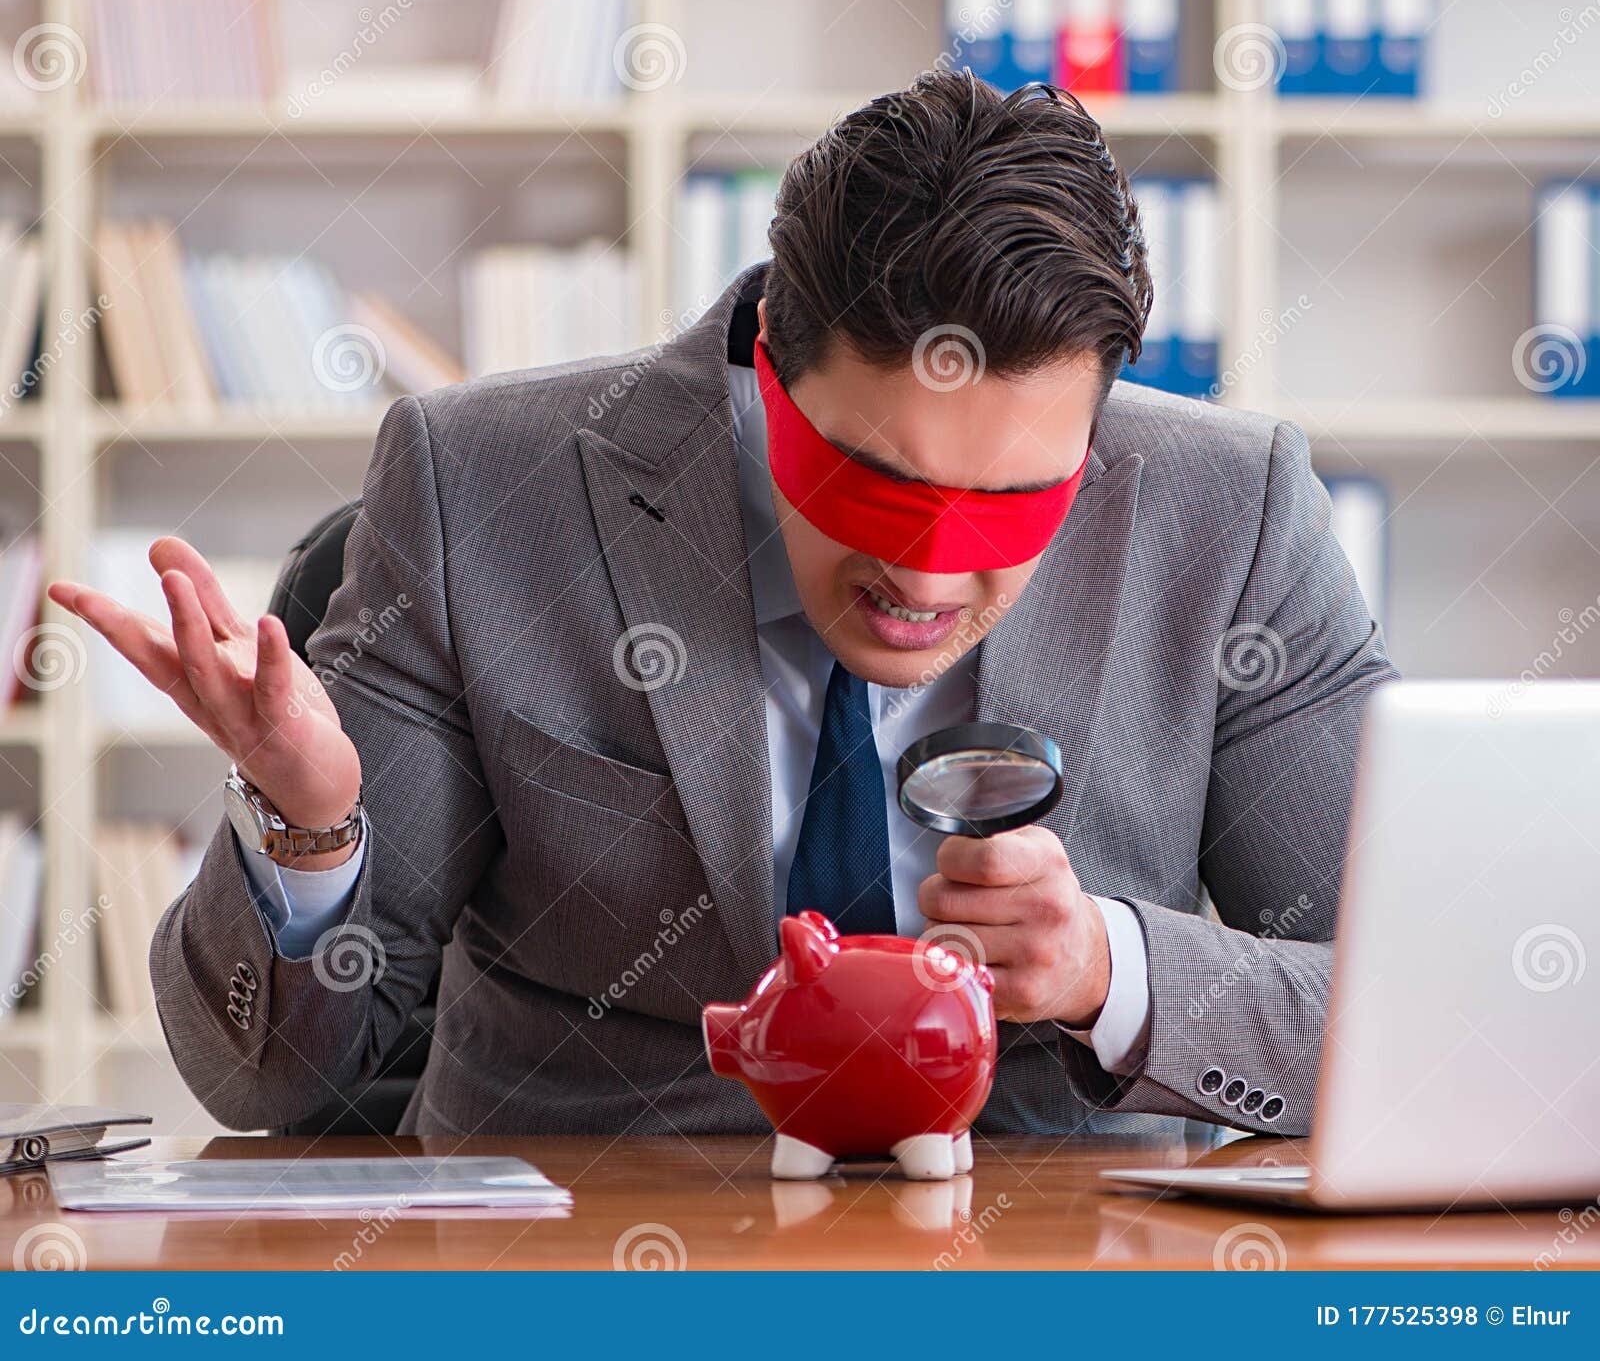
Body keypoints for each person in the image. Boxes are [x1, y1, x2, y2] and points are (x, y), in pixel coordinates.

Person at [51, 71, 1394, 1138]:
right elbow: (273, 1087)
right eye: (872, 481)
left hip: (1062, 1276)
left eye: (1011, 504)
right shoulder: (485, 489)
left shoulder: (1232, 512)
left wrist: (1117, 971)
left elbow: (1426, 1005)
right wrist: (305, 824)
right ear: (766, 371)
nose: (927, 575)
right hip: (593, 1277)